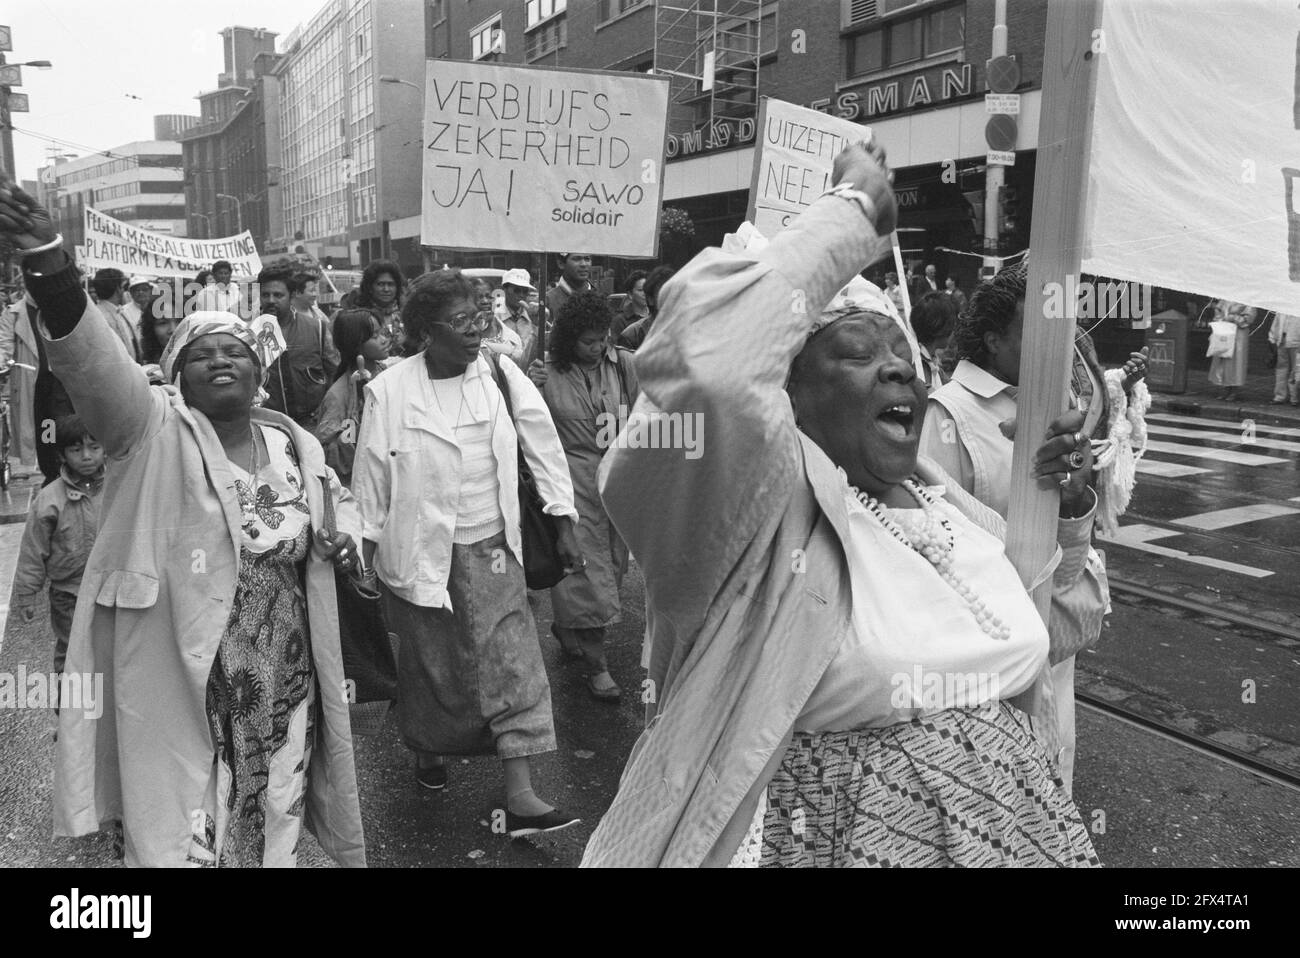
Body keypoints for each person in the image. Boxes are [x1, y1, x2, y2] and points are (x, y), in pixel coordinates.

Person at [580, 141, 1105, 868]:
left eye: (904, 353)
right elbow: (707, 363)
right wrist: (853, 210)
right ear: (784, 399)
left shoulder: (944, 510)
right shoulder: (748, 528)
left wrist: (1067, 508)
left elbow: (1068, 629)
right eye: (857, 353)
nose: (898, 365)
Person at [0, 174, 366, 867]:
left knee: (271, 799)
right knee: (185, 821)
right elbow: (95, 364)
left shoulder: (296, 442)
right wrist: (50, 259)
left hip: (283, 668)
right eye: (203, 354)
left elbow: (336, 509)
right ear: (176, 374)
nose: (222, 360)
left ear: (259, 372)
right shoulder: (149, 431)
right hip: (179, 665)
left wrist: (345, 541)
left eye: (236, 351)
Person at [353, 269, 583, 837]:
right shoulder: (389, 388)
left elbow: (542, 443)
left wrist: (563, 517)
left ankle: (522, 795)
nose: (477, 330)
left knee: (513, 660)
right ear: (426, 330)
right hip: (419, 551)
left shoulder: (501, 373)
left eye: (481, 316)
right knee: (432, 664)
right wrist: (362, 549)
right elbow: (372, 478)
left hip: (493, 547)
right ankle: (429, 749)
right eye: (462, 321)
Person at [919, 262, 1146, 792]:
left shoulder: (1056, 404)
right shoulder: (947, 416)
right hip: (984, 672)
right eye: (1039, 330)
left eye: (1062, 328)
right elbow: (936, 552)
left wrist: (1074, 497)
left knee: (1051, 789)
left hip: (1052, 653)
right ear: (993, 338)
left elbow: (1067, 540)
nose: (1059, 345)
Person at [540, 290, 639, 702]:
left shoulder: (626, 365)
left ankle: (569, 627)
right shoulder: (546, 372)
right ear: (568, 340)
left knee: (613, 568)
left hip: (617, 480)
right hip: (568, 481)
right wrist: (529, 386)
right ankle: (598, 666)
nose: (597, 348)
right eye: (588, 341)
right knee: (582, 570)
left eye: (603, 339)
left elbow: (653, 412)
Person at [11, 414, 105, 712]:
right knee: (72, 651)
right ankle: (70, 712)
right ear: (62, 454)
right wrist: (27, 595)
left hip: (110, 590)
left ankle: (107, 715)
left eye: (94, 447)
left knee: (110, 650)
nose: (87, 456)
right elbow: (32, 552)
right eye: (77, 449)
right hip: (69, 594)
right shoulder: (50, 499)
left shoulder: (119, 488)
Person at [315, 308, 392, 487]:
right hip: (361, 484)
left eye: (383, 332)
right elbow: (327, 453)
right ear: (355, 345)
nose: (384, 339)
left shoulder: (387, 373)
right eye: (375, 336)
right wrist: (358, 424)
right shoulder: (338, 394)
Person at [261, 266, 341, 430]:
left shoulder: (317, 329)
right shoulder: (250, 334)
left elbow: (335, 374)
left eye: (278, 295)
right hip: (269, 426)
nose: (271, 300)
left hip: (313, 425)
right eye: (265, 295)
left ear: (291, 296)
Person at [0, 290, 40, 468]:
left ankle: (48, 456)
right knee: (27, 426)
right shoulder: (13, 313)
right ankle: (36, 462)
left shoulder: (55, 309)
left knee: (49, 422)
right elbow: (4, 344)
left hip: (52, 380)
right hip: (25, 377)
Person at [1208, 299, 1257, 401]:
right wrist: (1220, 318)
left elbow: (1249, 318)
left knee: (1235, 362)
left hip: (1238, 333)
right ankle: (1225, 388)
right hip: (1224, 331)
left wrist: (1233, 318)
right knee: (1223, 360)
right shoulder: (1226, 297)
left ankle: (1234, 390)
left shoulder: (1248, 299)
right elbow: (1218, 310)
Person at [617, 264, 674, 351]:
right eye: (663, 293)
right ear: (650, 299)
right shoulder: (632, 335)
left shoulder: (689, 327)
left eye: (673, 291)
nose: (670, 297)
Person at [909, 291, 957, 388]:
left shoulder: (933, 363)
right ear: (943, 328)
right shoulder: (915, 367)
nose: (955, 328)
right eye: (953, 323)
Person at [91, 268, 141, 360]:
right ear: (117, 289)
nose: (123, 290)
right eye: (122, 286)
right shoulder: (99, 316)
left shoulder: (121, 311)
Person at [475, 276, 524, 365]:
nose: (485, 301)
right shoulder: (464, 337)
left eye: (489, 296)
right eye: (479, 297)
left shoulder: (513, 338)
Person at [355, 260, 404, 349]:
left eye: (391, 284)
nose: (386, 289)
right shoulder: (357, 317)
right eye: (380, 284)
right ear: (369, 287)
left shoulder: (406, 315)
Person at [544, 253, 593, 339]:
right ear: (561, 264)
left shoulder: (600, 297)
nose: (583, 264)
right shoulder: (548, 300)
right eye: (576, 259)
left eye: (587, 259)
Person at [498, 267, 539, 367]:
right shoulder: (496, 318)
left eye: (525, 291)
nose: (521, 295)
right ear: (505, 290)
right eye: (516, 290)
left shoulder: (533, 316)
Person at [1267, 310, 1300, 405]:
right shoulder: (1282, 309)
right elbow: (1276, 324)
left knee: (1296, 370)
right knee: (1281, 369)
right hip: (1282, 340)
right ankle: (1279, 396)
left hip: (1297, 343)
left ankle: (1294, 398)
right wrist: (1272, 338)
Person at [610, 270, 648, 342]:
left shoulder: (656, 315)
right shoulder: (620, 321)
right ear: (630, 294)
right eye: (640, 290)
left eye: (647, 289)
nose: (645, 293)